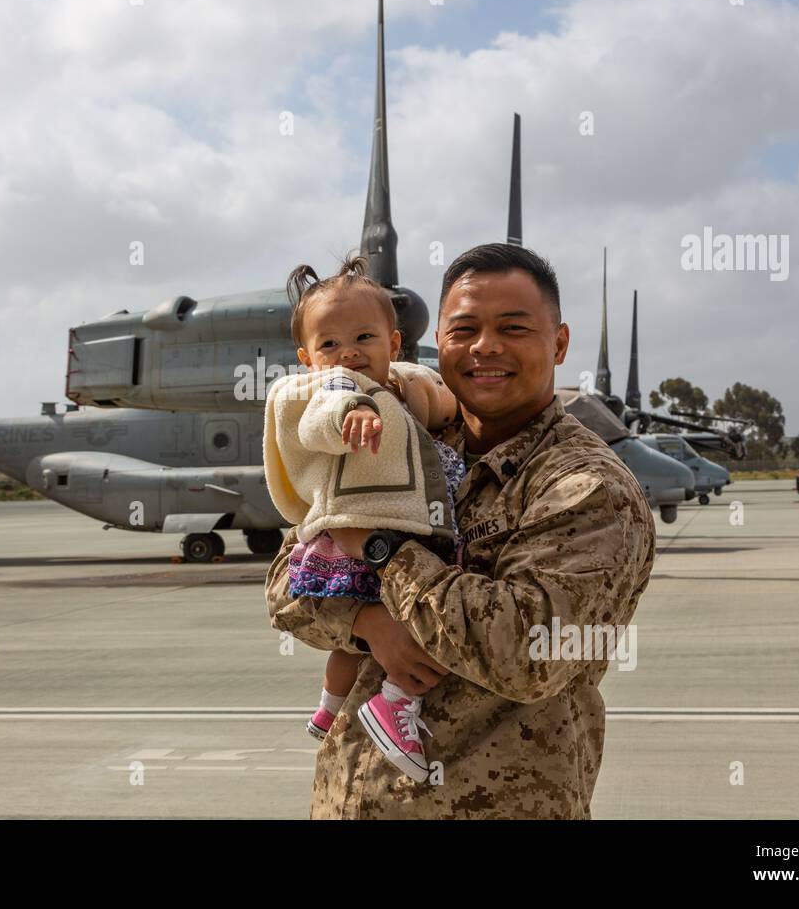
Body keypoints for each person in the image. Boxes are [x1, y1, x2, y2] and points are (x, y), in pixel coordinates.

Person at [265, 243, 656, 818]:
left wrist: (381, 550)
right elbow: (286, 584)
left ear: (560, 343)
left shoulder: (587, 487)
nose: (485, 347)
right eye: (464, 329)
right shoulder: (400, 440)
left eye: (513, 328)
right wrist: (368, 624)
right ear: (437, 345)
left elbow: (526, 652)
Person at [263, 255, 463, 781]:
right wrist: (353, 415)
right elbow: (322, 418)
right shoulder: (336, 390)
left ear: (394, 346)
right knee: (407, 630)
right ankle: (392, 703)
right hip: (376, 538)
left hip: (388, 533)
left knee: (370, 636)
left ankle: (329, 709)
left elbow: (438, 401)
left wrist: (449, 407)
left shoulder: (403, 387)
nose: (347, 352)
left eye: (364, 338)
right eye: (329, 345)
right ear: (308, 359)